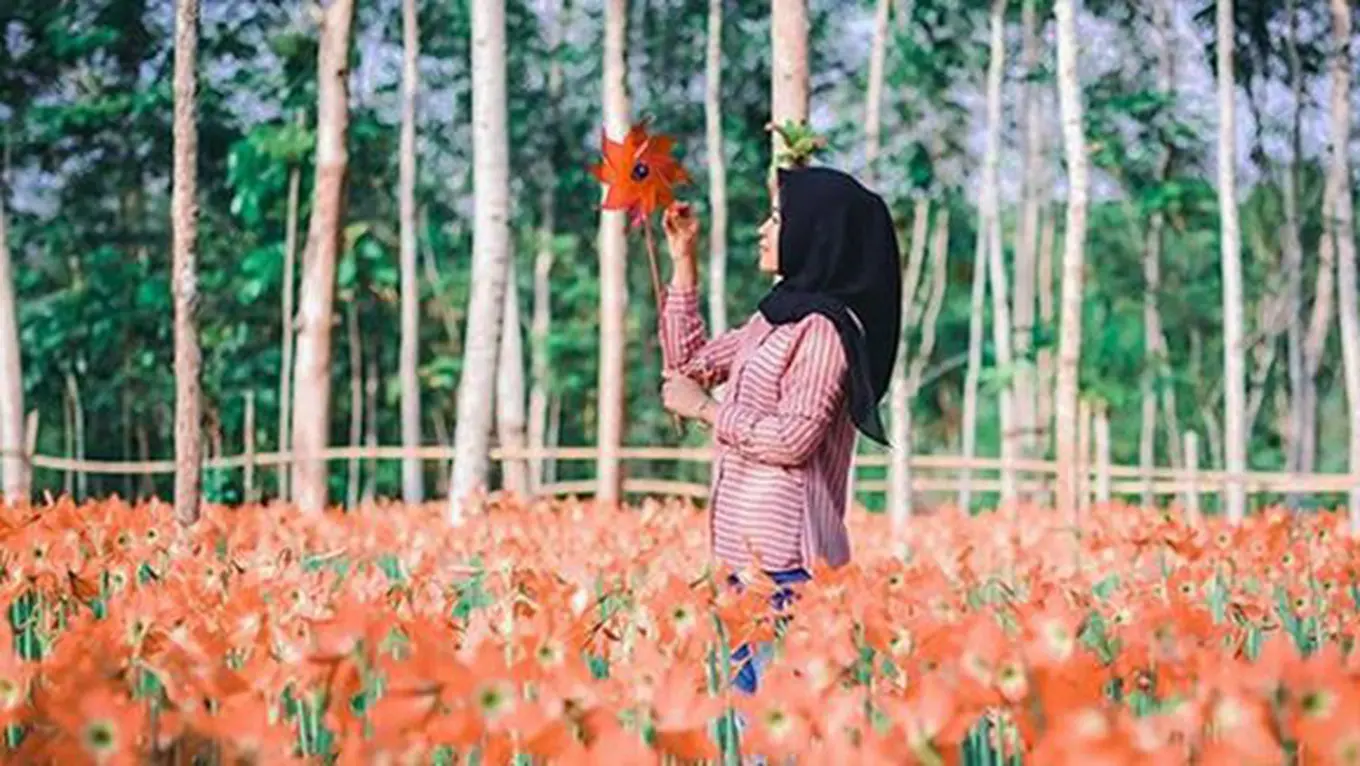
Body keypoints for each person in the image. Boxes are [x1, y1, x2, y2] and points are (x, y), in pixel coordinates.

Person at [657, 166, 902, 693]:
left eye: (776, 219)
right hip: (738, 561)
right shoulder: (773, 320)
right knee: (749, 732)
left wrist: (706, 410)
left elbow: (794, 440)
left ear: (815, 232)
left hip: (788, 569)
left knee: (776, 733)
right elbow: (687, 365)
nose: (763, 231)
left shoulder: (824, 331)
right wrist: (683, 262)